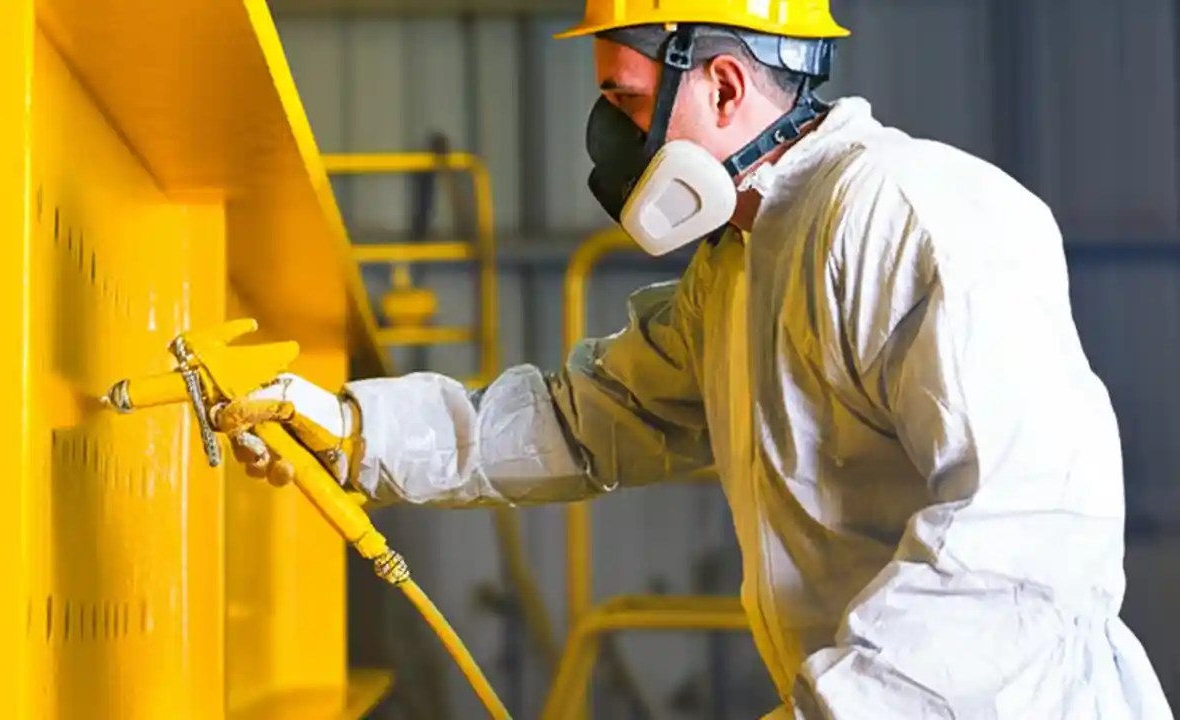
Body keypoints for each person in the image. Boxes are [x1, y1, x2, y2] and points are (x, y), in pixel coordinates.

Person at [224, 1, 1174, 717]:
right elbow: (586, 420)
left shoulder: (909, 214)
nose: (611, 139)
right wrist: (353, 429)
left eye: (626, 102)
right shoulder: (744, 261)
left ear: (721, 85)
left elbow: (1016, 544)